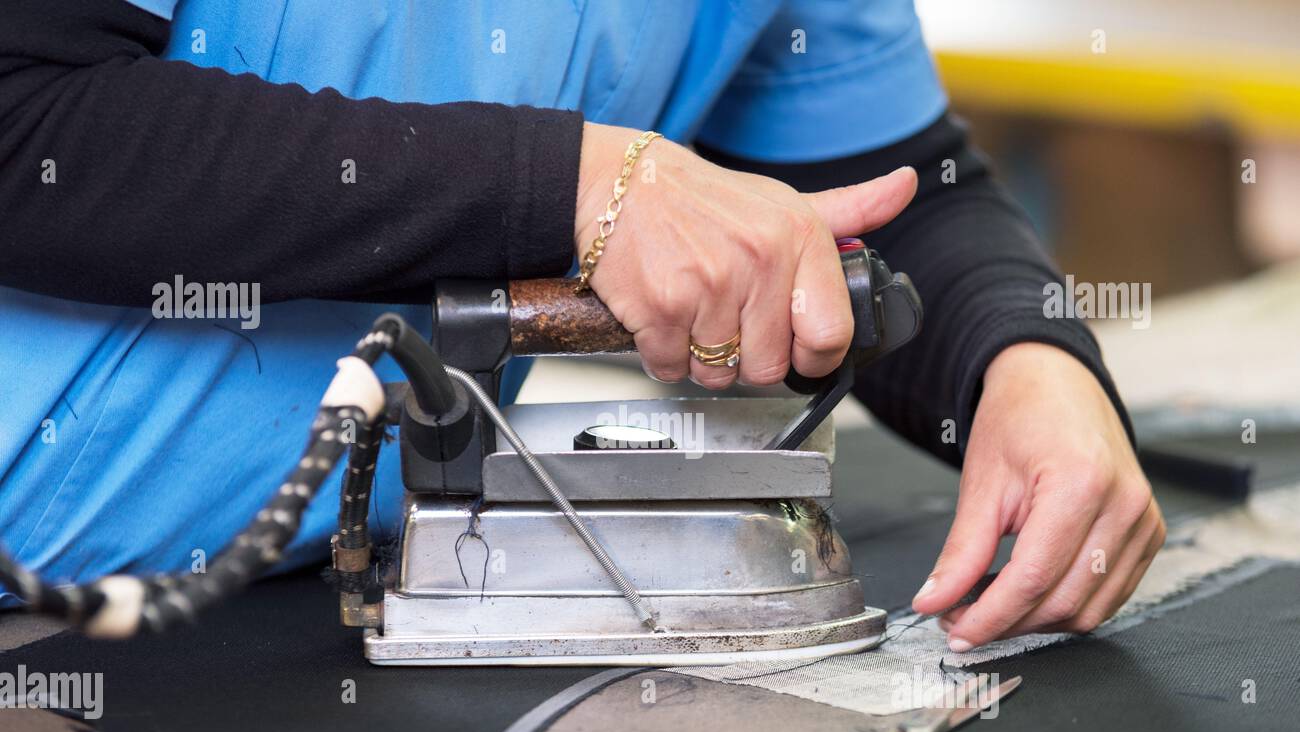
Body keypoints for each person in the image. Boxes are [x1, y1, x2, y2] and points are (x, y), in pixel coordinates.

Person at [0, 0, 1164, 652]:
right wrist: (568, 187)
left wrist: (1024, 358)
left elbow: (886, 188)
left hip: (343, 608)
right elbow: (25, 115)